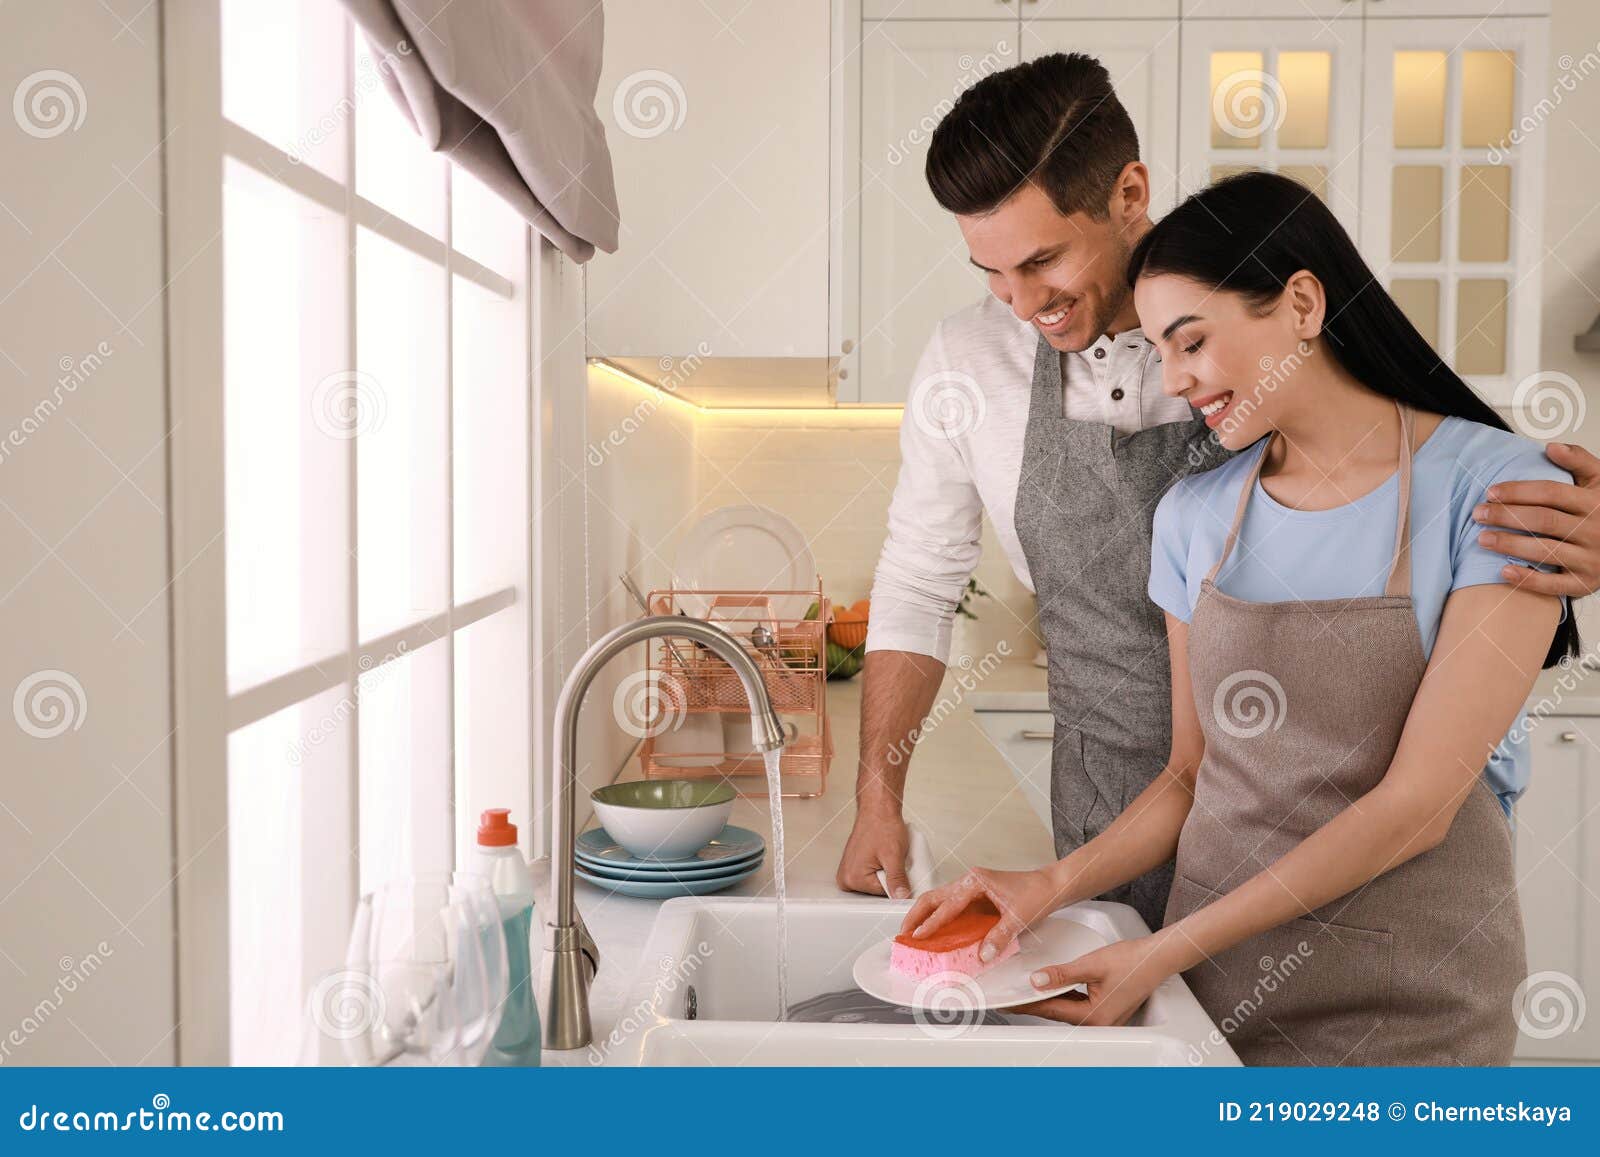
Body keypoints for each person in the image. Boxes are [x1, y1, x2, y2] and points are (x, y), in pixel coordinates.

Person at [838, 52, 1600, 936]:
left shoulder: (1261, 324)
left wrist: (1556, 524)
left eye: (1043, 260)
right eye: (992, 272)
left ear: (1129, 193)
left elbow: (1424, 469)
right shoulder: (968, 364)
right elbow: (919, 578)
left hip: (1346, 821)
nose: (1020, 302)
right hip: (1113, 815)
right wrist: (877, 800)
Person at [897, 170, 1575, 1066]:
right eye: (1159, 351)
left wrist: (1162, 950)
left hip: (1411, 998)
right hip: (1215, 984)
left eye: (1191, 342)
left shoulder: (1502, 490)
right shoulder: (1195, 513)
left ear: (1302, 304)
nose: (1176, 380)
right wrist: (1049, 885)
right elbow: (1190, 773)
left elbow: (1418, 807)